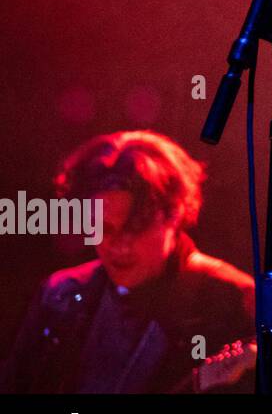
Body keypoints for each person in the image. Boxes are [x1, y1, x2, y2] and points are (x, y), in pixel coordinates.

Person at [1, 130, 255, 393]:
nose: (118, 244)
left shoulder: (232, 299)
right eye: (103, 228)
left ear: (175, 214)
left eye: (136, 227)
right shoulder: (61, 292)